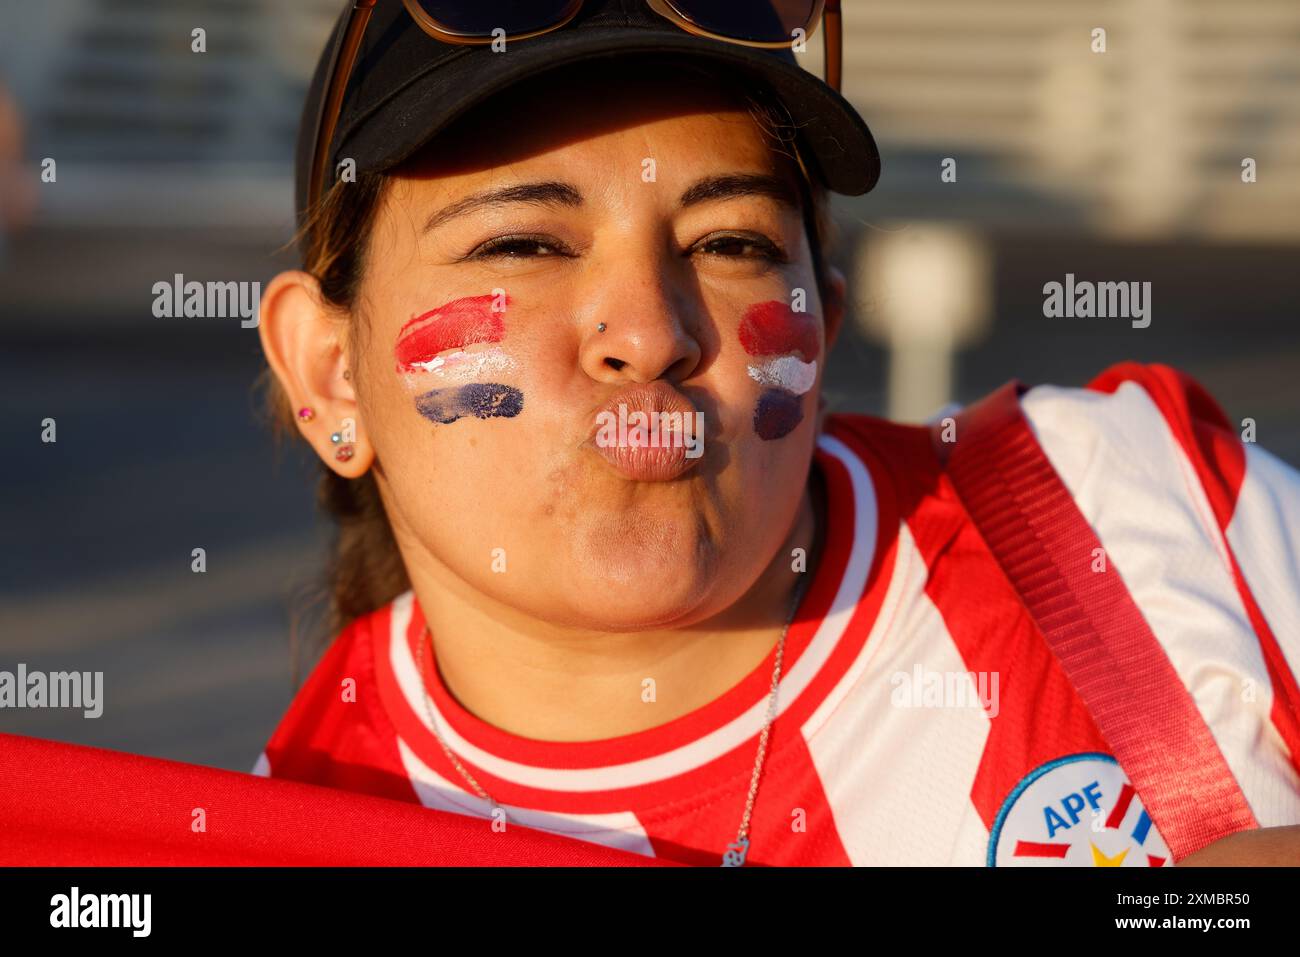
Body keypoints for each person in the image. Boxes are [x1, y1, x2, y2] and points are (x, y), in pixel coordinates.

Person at [254, 0, 1300, 866]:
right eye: (526, 242)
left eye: (729, 242)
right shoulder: (289, 834)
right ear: (329, 373)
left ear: (824, 331)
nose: (651, 335)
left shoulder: (1132, 512)